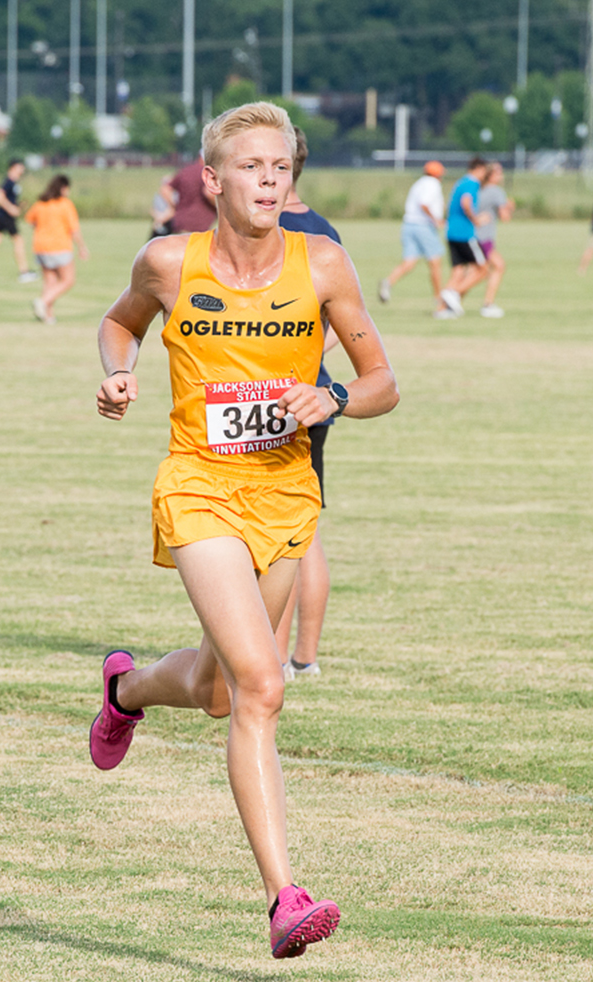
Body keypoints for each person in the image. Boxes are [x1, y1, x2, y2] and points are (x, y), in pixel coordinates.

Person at [90, 102, 399, 959]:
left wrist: (332, 395)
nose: (272, 180)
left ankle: (126, 691)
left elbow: (382, 381)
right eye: (255, 167)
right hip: (199, 491)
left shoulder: (324, 263)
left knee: (221, 688)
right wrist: (119, 377)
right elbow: (120, 325)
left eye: (283, 167)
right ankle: (282, 897)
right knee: (263, 684)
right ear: (212, 181)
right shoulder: (167, 261)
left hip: (283, 496)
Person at [274, 127, 341, 680]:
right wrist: (312, 365)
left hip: (258, 398)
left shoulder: (258, 228)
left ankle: (268, 658)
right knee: (307, 528)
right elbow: (343, 325)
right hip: (314, 395)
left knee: (273, 537)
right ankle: (305, 658)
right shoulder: (325, 232)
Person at [377, 160, 447, 313]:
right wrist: (436, 220)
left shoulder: (419, 183)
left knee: (409, 262)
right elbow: (424, 204)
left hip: (409, 224)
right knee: (435, 262)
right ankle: (439, 300)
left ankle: (388, 283)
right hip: (423, 226)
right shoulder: (432, 184)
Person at [27, 174, 88, 323]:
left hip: (40, 247)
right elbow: (74, 229)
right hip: (59, 246)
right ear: (62, 188)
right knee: (68, 280)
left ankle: (48, 316)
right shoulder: (65, 204)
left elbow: (30, 221)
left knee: (50, 282)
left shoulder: (41, 203)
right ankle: (42, 301)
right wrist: (82, 247)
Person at [437, 157, 491, 317]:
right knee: (483, 269)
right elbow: (466, 202)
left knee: (457, 272)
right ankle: (452, 293)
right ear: (479, 168)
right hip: (464, 233)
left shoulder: (460, 182)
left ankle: (442, 310)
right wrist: (477, 220)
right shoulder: (472, 183)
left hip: (451, 232)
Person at [475, 161, 513, 319]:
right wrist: (509, 207)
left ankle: (451, 300)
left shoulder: (478, 189)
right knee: (498, 266)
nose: (501, 176)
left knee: (477, 271)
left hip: (472, 236)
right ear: (491, 175)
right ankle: (488, 304)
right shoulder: (496, 192)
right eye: (498, 173)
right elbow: (505, 218)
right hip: (484, 237)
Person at [162, 157, 217, 234]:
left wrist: (174, 205)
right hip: (200, 223)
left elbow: (166, 189)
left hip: (180, 222)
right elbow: (208, 193)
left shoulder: (186, 170)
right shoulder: (207, 173)